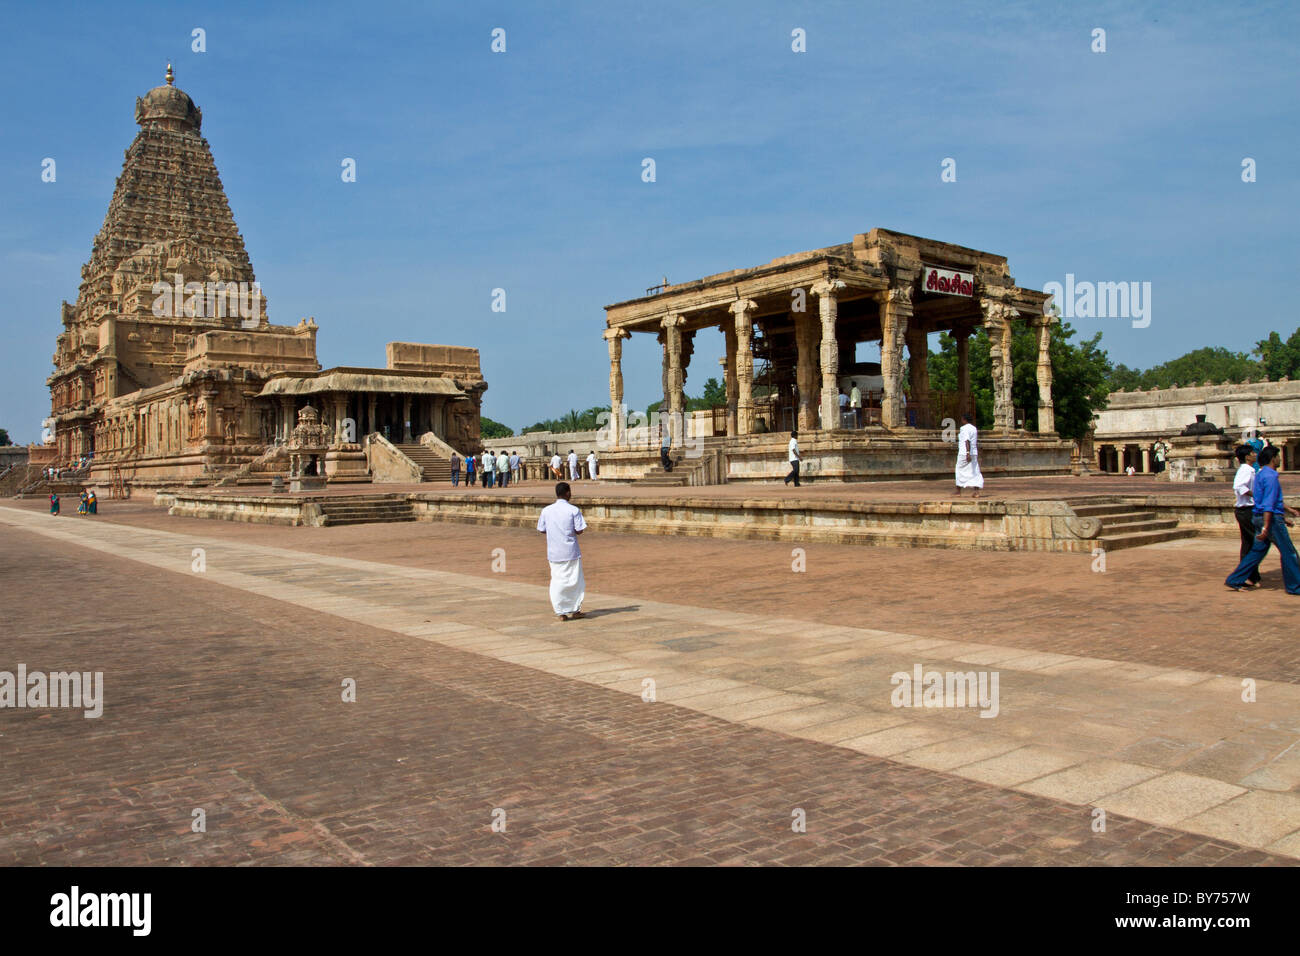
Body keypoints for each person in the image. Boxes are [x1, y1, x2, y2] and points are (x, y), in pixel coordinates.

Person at [1226, 446, 1300, 593]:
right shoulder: (1271, 476)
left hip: (1260, 516)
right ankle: (1295, 586)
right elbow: (1268, 503)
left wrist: (1285, 514)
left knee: (1257, 551)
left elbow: (1266, 500)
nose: (1279, 459)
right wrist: (1267, 526)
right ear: (1273, 458)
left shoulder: (1260, 475)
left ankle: (1235, 579)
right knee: (1289, 552)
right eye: (1278, 456)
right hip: (1269, 519)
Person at [537, 481, 587, 621]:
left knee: (557, 581)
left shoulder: (546, 510)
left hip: (554, 552)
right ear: (567, 493)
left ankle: (561, 612)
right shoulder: (573, 510)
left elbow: (541, 529)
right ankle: (575, 609)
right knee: (576, 582)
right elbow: (580, 530)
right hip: (570, 551)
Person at [1231, 445, 1261, 589]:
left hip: (1246, 510)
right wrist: (1256, 495)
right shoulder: (1246, 470)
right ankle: (1247, 575)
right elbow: (1239, 486)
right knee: (1256, 543)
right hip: (1246, 510)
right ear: (1247, 456)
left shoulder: (1250, 470)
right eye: (1253, 453)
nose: (1255, 454)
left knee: (1248, 544)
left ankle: (1249, 575)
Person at [954, 412, 983, 498]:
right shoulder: (974, 428)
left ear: (964, 419)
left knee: (959, 470)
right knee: (975, 471)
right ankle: (976, 491)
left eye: (962, 419)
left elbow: (967, 440)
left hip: (965, 453)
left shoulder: (964, 428)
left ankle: (958, 491)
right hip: (973, 452)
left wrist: (967, 453)